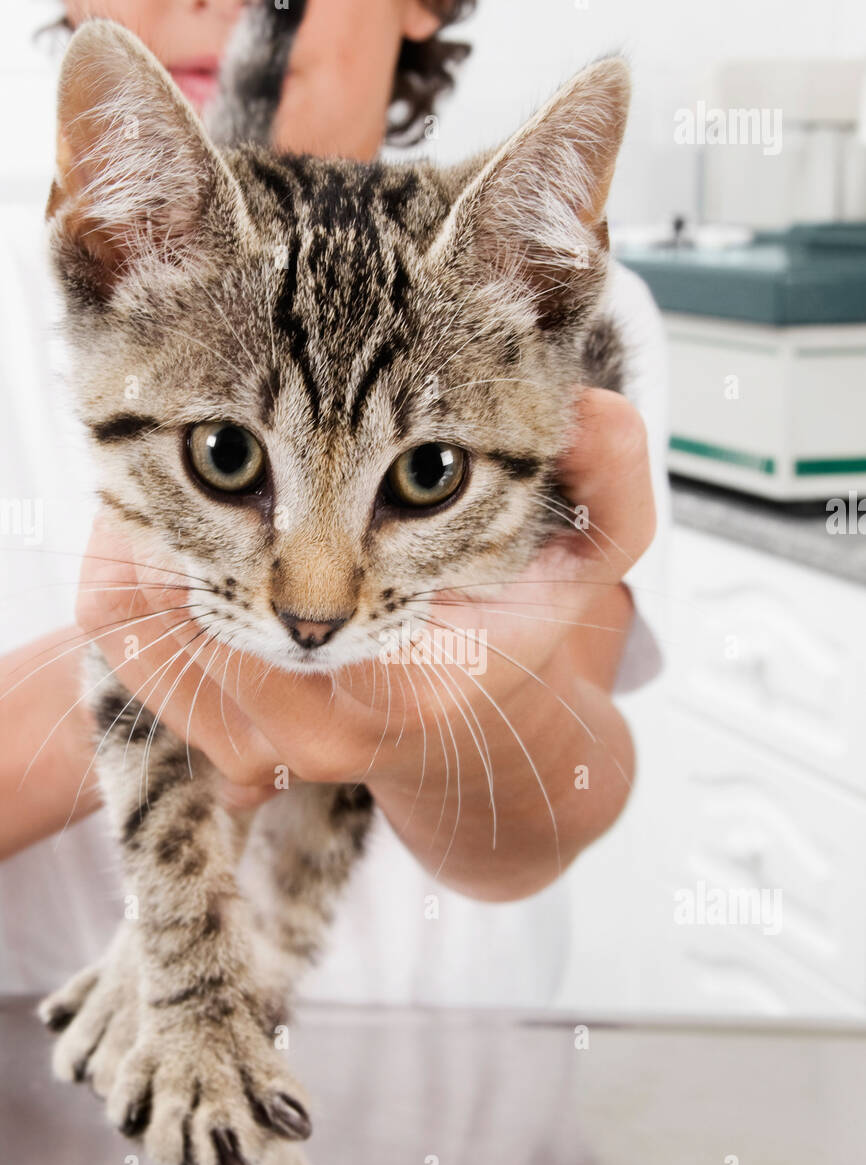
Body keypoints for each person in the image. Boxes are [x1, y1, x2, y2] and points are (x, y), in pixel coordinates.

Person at [0, 0, 667, 1001]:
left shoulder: (546, 328)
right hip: (51, 1090)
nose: (315, 601)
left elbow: (556, 810)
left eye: (422, 475)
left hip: (458, 1071)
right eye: (228, 455)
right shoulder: (101, 283)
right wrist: (129, 669)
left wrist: (472, 701)